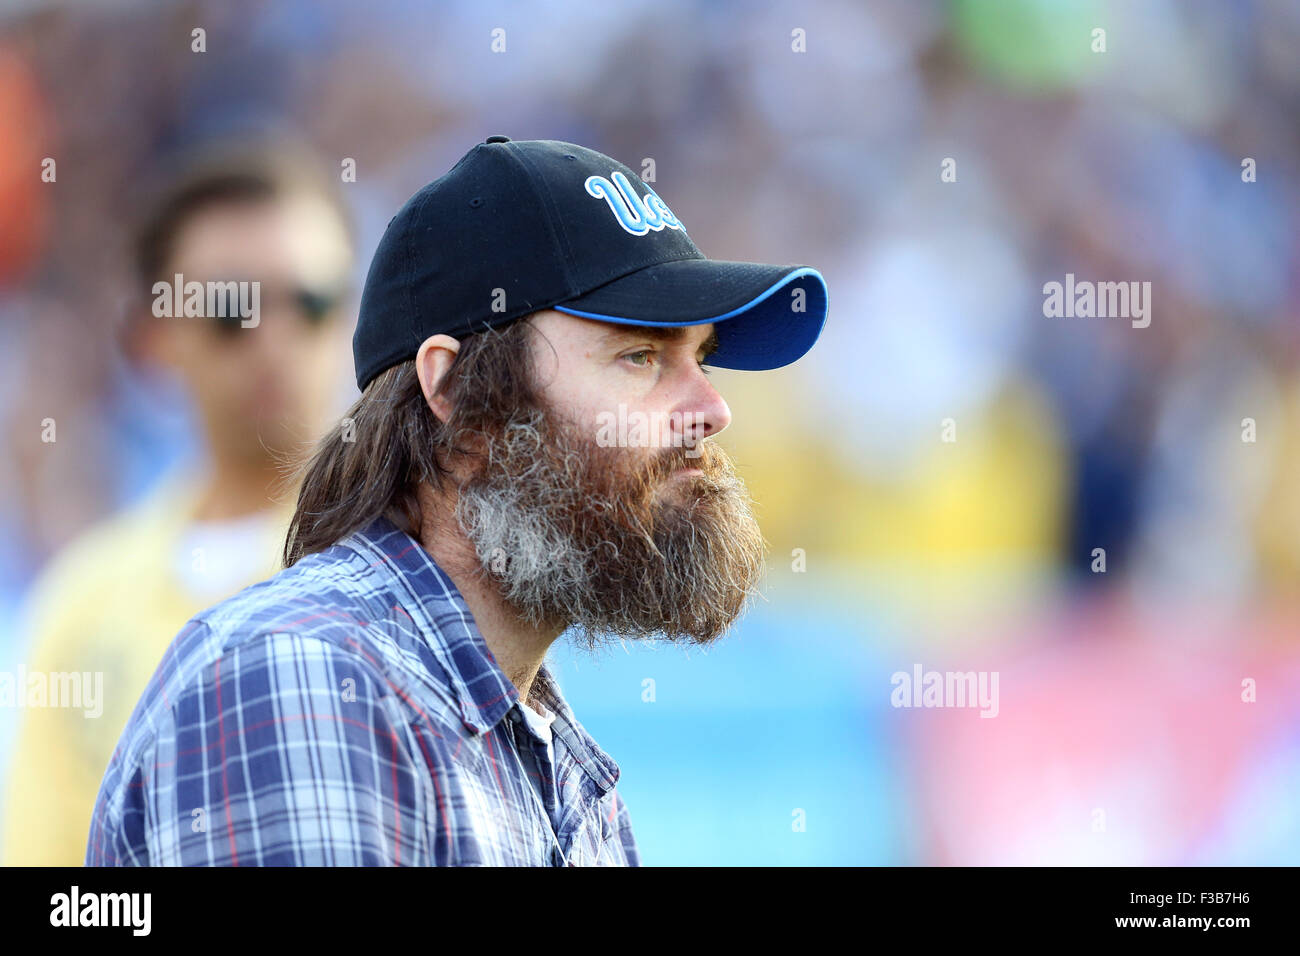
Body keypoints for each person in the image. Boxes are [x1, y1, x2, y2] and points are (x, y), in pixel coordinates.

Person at [85, 135, 829, 866]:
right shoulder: (305, 676)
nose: (712, 409)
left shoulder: (563, 770)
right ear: (460, 395)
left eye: (697, 357)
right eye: (640, 356)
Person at [1, 140, 354, 865]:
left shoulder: (423, 563)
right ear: (151, 336)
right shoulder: (82, 601)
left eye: (313, 303)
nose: (277, 337)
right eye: (233, 309)